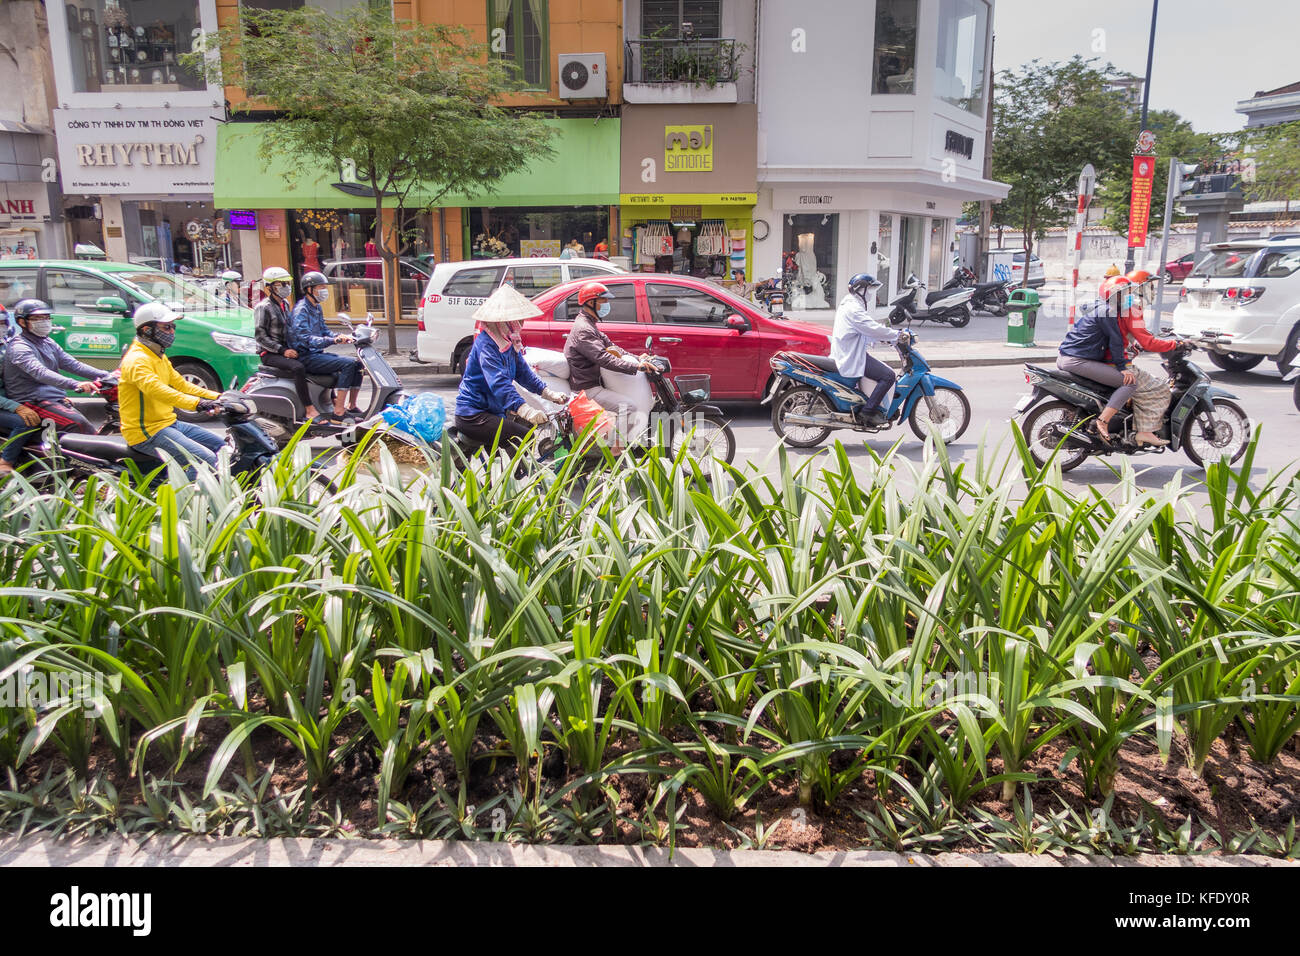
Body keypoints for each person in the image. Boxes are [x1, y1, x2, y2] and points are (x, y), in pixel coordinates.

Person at [1057, 277, 1170, 447]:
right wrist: (1123, 368)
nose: (1129, 296)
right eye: (1125, 294)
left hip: (1068, 357)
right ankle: (1103, 421)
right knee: (1130, 383)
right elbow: (1115, 342)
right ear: (1116, 296)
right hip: (1077, 360)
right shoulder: (1108, 312)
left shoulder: (1101, 307)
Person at [454, 285, 569, 452]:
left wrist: (549, 394)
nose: (521, 323)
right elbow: (499, 383)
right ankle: (511, 478)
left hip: (494, 410)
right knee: (524, 437)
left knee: (524, 428)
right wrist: (524, 409)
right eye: (517, 319)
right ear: (504, 321)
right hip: (474, 415)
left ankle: (504, 475)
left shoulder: (508, 342)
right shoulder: (487, 345)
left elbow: (524, 373)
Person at [118, 302, 226, 476]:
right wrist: (198, 404)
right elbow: (158, 390)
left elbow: (181, 384)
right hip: (147, 432)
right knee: (204, 460)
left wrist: (218, 397)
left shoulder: (157, 354)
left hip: (169, 423)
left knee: (221, 447)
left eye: (173, 327)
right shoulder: (138, 360)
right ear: (147, 330)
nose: (172, 332)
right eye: (167, 327)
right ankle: (187, 501)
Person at [562, 282, 654, 443]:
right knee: (629, 408)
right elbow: (603, 358)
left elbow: (613, 348)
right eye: (604, 301)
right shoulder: (584, 329)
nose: (607, 305)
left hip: (594, 384)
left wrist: (639, 358)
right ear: (591, 303)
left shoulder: (590, 325)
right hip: (588, 389)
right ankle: (614, 450)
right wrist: (636, 367)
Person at [2, 299, 101, 438]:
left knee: (86, 425)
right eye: (37, 318)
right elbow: (40, 373)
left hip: (50, 398)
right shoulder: (20, 347)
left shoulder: (47, 342)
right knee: (78, 425)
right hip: (32, 401)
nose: (44, 321)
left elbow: (73, 364)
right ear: (22, 322)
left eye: (46, 317)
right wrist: (75, 383)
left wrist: (106, 376)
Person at [289, 270, 364, 422]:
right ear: (309, 289)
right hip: (306, 356)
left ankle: (352, 405)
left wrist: (341, 336)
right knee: (348, 364)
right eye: (320, 287)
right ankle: (338, 411)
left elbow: (324, 330)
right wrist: (332, 341)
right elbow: (305, 339)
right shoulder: (301, 310)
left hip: (317, 354)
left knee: (358, 364)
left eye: (325, 287)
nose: (324, 291)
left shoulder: (316, 307)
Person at [254, 266, 324, 424]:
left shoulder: (284, 303)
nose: (286, 287)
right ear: (270, 287)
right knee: (298, 367)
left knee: (317, 359)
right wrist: (283, 350)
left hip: (287, 349)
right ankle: (309, 409)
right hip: (270, 354)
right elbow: (260, 336)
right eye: (281, 284)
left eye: (287, 283)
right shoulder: (263, 307)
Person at [830, 273, 899, 426]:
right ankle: (867, 413)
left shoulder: (850, 304)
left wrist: (883, 337)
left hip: (850, 352)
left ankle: (871, 405)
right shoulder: (853, 308)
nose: (871, 294)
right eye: (869, 290)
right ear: (860, 289)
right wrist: (897, 335)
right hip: (849, 356)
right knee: (888, 376)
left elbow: (865, 329)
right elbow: (869, 327)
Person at [0, 332, 43, 475]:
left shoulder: (7, 346)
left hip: (8, 400)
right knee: (25, 422)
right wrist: (16, 407)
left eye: (2, 322)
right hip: (6, 404)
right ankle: (5, 462)